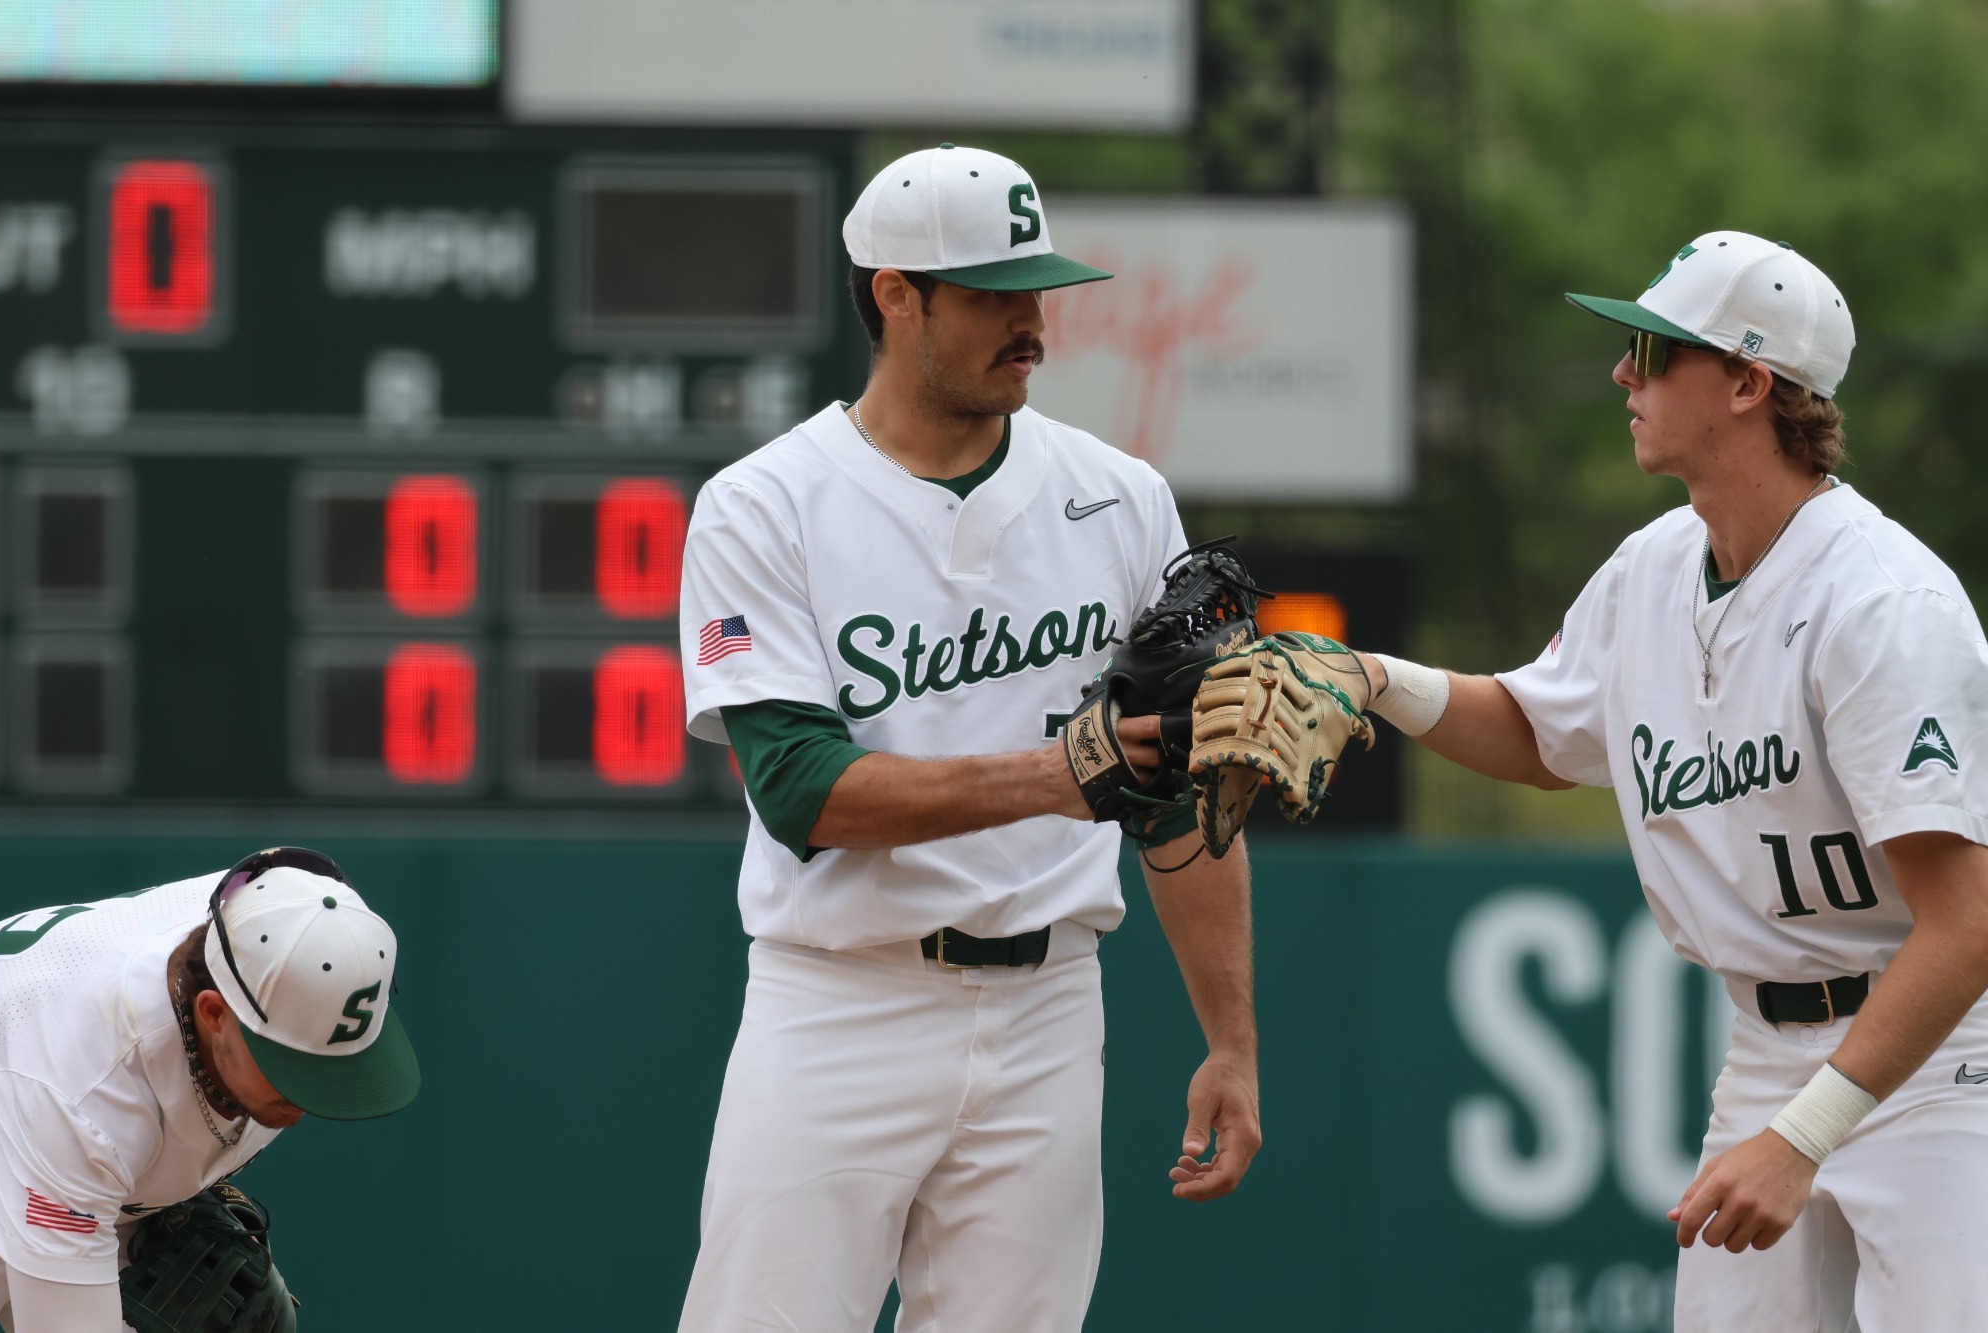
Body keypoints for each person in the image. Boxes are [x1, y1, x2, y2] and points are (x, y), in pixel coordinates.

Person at [676, 143, 1260, 1332]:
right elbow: (799, 790)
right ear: (896, 293)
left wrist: (1229, 1041)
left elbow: (1169, 796)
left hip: (1050, 1005)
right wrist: (1056, 774)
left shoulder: (1120, 496)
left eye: (1038, 288)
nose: (1032, 321)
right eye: (993, 292)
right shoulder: (762, 502)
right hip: (839, 1002)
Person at [1355, 231, 1988, 1327]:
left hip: (1938, 1064)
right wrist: (1370, 678)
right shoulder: (1652, 565)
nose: (1620, 372)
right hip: (1762, 1047)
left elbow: (1967, 925)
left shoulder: (1880, 603)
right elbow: (1537, 733)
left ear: (1747, 383)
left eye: (1652, 348)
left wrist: (1803, 1135)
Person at [0, 846, 420, 1331]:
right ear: (214, 1014)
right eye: (291, 1065)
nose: (307, 1097)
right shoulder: (84, 1097)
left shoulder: (280, 923)